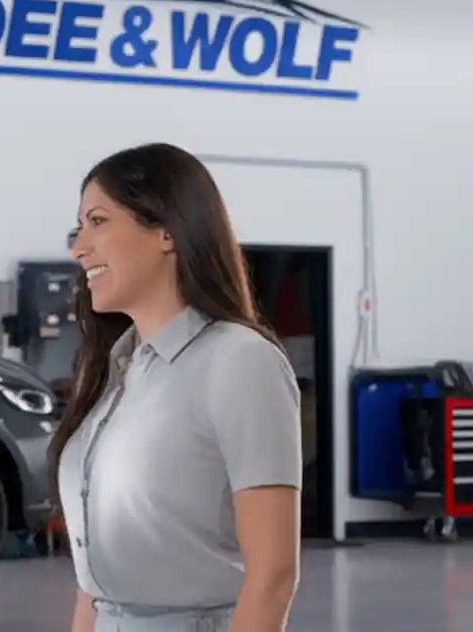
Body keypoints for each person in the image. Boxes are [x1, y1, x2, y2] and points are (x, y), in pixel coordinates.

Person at [51, 143, 303, 632]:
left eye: (98, 222)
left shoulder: (239, 361)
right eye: (78, 227)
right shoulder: (115, 371)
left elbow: (272, 578)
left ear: (167, 230)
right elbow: (95, 585)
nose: (79, 247)